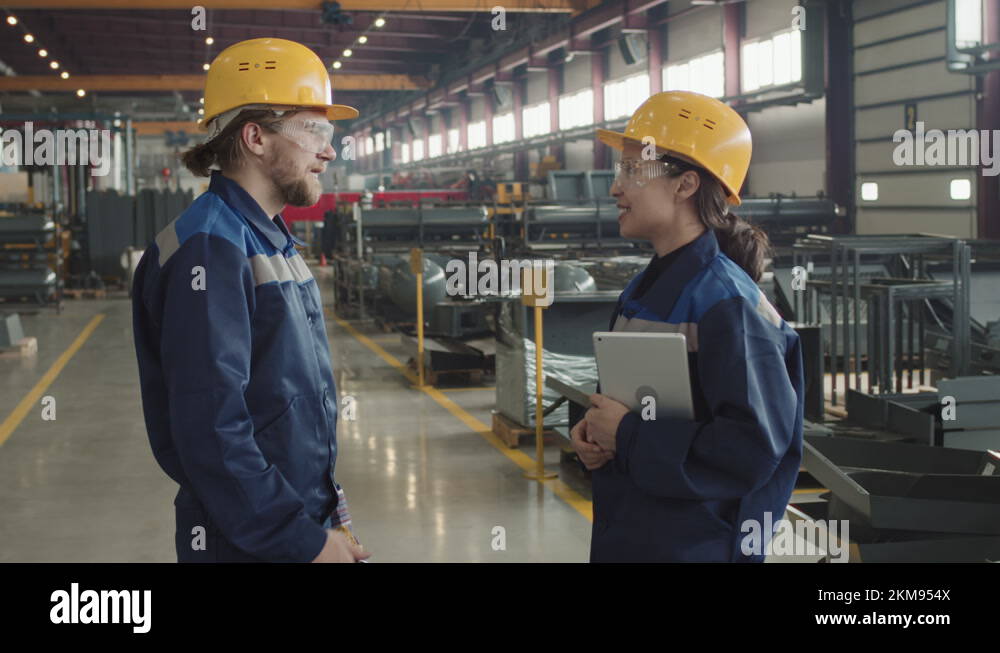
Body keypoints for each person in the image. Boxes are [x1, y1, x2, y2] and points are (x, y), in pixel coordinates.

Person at [132, 38, 369, 563]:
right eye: (315, 131)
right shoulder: (211, 249)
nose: (329, 151)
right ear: (256, 137)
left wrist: (328, 509)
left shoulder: (269, 238)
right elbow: (211, 430)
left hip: (285, 517)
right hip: (246, 539)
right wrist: (299, 539)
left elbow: (283, 403)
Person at [570, 91, 804, 562]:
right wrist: (594, 433)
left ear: (685, 184)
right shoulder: (643, 289)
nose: (616, 187)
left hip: (698, 545)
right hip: (636, 530)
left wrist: (629, 436)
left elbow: (752, 448)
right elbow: (632, 403)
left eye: (632, 171)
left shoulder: (727, 304)